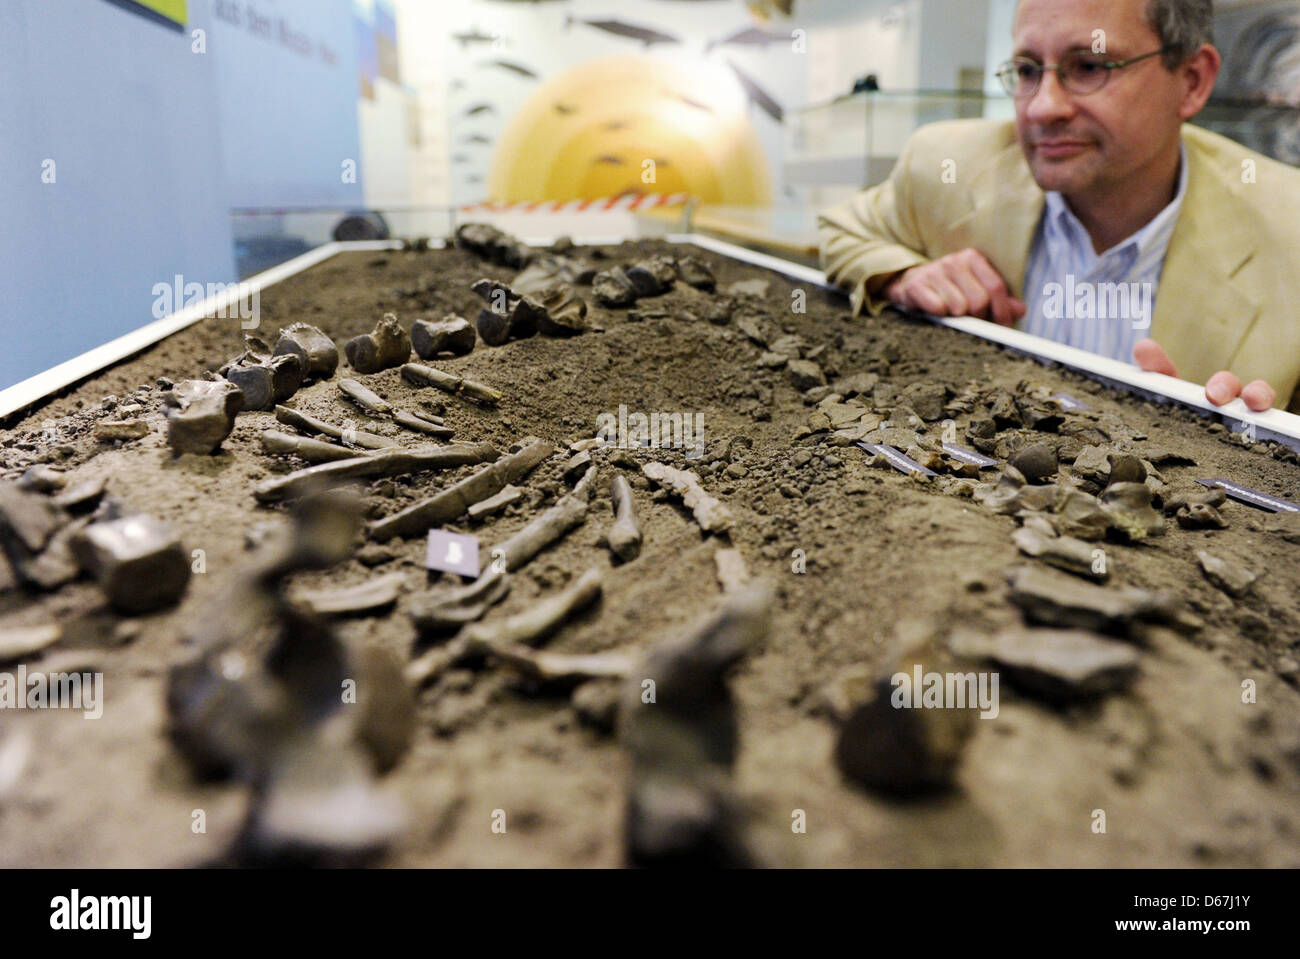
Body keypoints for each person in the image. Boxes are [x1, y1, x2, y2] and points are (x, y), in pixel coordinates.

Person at [819, 0, 1300, 414]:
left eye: (1090, 67)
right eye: (1028, 70)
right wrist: (905, 276)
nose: (1042, 108)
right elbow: (839, 232)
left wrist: (1260, 445)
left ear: (1192, 81)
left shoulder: (1288, 228)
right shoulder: (946, 165)